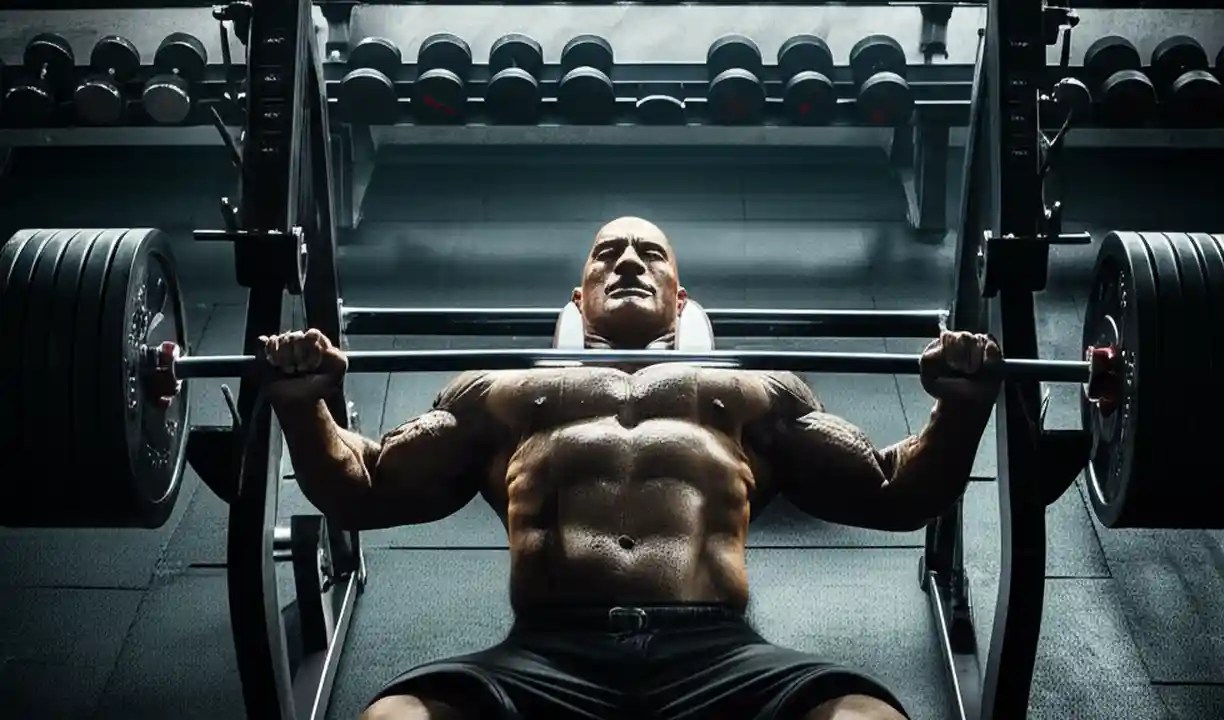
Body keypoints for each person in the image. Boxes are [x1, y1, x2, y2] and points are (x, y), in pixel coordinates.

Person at [263, 216, 1002, 720]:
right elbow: (361, 488)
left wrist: (962, 406)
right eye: (606, 253)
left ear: (680, 297)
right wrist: (303, 405)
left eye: (649, 254)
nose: (625, 261)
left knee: (864, 714)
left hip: (715, 651)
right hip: (546, 652)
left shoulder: (750, 393)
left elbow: (899, 490)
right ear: (577, 296)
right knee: (396, 716)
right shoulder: (502, 394)